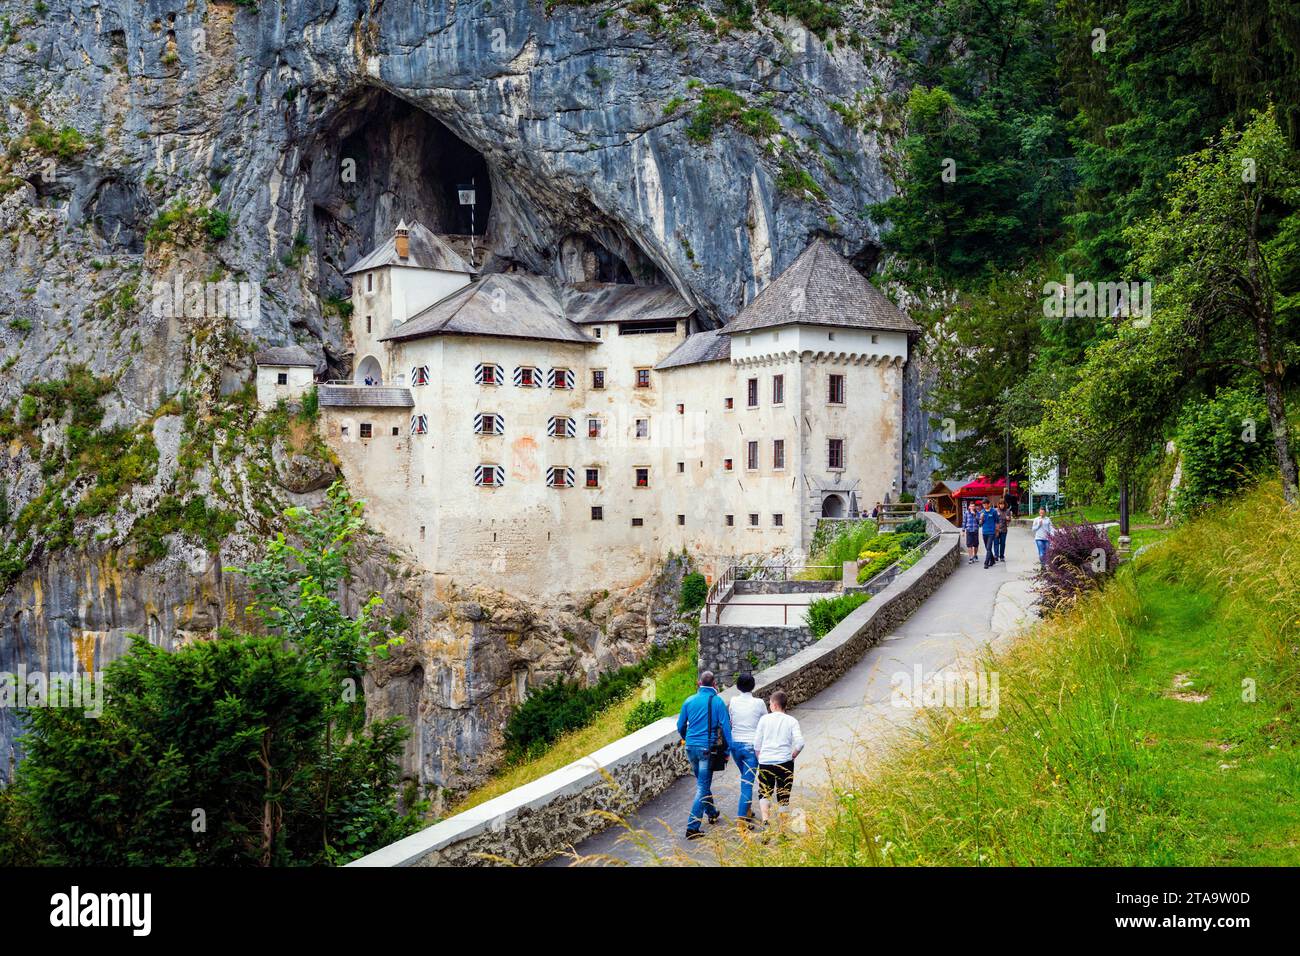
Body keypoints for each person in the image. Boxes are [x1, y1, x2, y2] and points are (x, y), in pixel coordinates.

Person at [676, 671, 733, 839]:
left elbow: (680, 725)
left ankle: (712, 812)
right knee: (702, 786)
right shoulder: (717, 702)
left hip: (690, 747)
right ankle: (692, 828)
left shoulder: (689, 700)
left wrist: (687, 738)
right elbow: (726, 729)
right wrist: (729, 750)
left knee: (702, 782)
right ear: (714, 684)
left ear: (699, 683)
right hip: (706, 749)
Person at [752, 690, 804, 827]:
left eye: (770, 704)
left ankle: (765, 821)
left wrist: (760, 758)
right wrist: (793, 755)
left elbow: (756, 743)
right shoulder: (792, 721)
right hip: (785, 762)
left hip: (766, 762)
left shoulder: (764, 719)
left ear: (774, 705)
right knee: (783, 795)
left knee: (764, 793)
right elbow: (800, 743)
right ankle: (782, 829)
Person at [727, 673, 767, 826]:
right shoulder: (759, 703)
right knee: (747, 783)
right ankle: (741, 821)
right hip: (751, 745)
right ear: (753, 686)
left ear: (737, 686)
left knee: (745, 777)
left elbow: (731, 719)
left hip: (735, 745)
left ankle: (748, 811)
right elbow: (765, 721)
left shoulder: (733, 701)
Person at [980, 499, 999, 568]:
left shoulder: (994, 511)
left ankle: (986, 563)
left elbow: (997, 522)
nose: (984, 506)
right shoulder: (982, 512)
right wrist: (981, 518)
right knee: (987, 548)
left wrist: (997, 531)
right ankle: (992, 560)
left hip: (991, 532)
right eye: (983, 504)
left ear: (989, 504)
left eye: (985, 504)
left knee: (988, 547)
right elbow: (980, 524)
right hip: (984, 532)